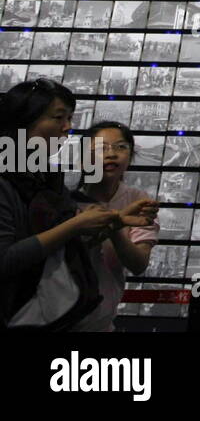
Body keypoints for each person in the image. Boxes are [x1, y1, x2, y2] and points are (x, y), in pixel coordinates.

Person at [0, 78, 155, 330]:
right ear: (25, 120)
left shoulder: (46, 177)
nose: (67, 127)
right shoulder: (7, 179)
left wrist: (115, 221)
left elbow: (64, 246)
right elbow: (5, 260)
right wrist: (75, 225)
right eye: (59, 118)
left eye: (70, 118)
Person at [72, 121, 160, 331]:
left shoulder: (138, 199)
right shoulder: (65, 198)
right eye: (101, 148)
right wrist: (118, 220)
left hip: (102, 322)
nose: (111, 154)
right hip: (55, 318)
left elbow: (139, 264)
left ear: (130, 157)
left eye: (121, 147)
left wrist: (115, 227)